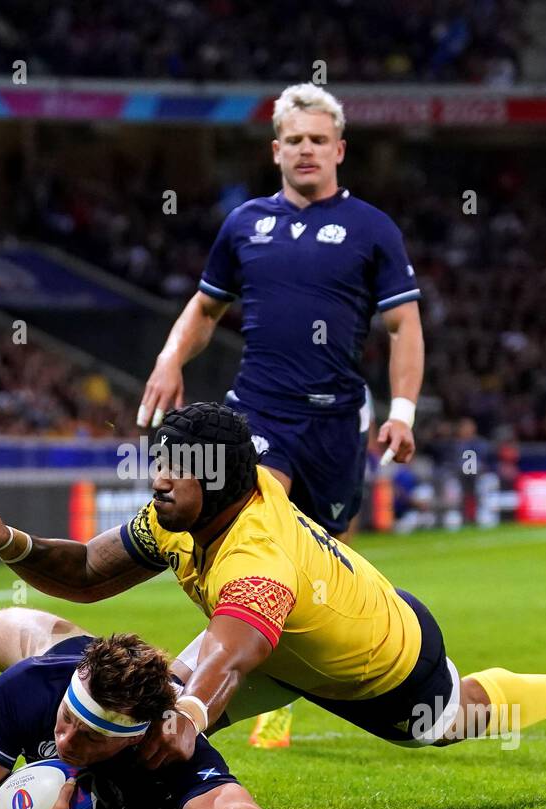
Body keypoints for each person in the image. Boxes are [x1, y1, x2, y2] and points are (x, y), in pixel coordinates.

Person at [0, 402, 546, 774]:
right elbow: (86, 573)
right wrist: (11, 542)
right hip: (280, 640)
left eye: (176, 471)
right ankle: (74, 777)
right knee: (147, 717)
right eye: (160, 466)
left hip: (380, 657)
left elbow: (233, 656)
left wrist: (191, 718)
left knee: (444, 724)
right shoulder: (184, 515)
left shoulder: (253, 552)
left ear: (222, 484)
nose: (158, 482)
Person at [136, 83, 427, 748]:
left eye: (318, 140)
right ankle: (198, 685)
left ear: (340, 150)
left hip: (338, 420)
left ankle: (288, 675)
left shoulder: (371, 229)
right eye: (294, 139)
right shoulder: (245, 226)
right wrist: (168, 359)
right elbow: (206, 309)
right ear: (275, 151)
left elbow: (404, 326)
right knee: (256, 517)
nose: (306, 150)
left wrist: (403, 410)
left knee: (327, 557)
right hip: (259, 411)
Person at [0, 606, 281, 809]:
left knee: (286, 660)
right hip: (63, 659)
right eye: (66, 718)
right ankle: (110, 660)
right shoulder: (31, 686)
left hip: (162, 705)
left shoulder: (165, 747)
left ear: (132, 739)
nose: (66, 741)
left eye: (91, 736)